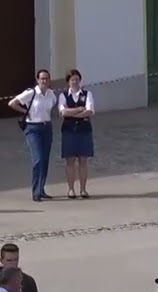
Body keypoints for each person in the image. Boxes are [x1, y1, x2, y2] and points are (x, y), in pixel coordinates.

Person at [8, 69, 57, 202]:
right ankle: (35, 192)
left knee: (45, 160)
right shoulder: (31, 92)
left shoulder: (51, 94)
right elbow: (12, 103)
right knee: (38, 159)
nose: (44, 81)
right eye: (42, 78)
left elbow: (51, 108)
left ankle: (42, 189)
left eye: (46, 78)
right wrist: (25, 111)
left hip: (47, 127)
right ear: (37, 80)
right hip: (33, 128)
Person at [58, 69, 95, 198]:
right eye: (72, 80)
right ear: (68, 81)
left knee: (83, 160)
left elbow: (90, 111)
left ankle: (83, 189)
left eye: (77, 79)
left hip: (84, 130)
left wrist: (72, 113)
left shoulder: (87, 94)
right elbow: (63, 112)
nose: (75, 82)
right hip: (69, 131)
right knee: (70, 161)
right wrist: (79, 109)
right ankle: (70, 189)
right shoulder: (63, 96)